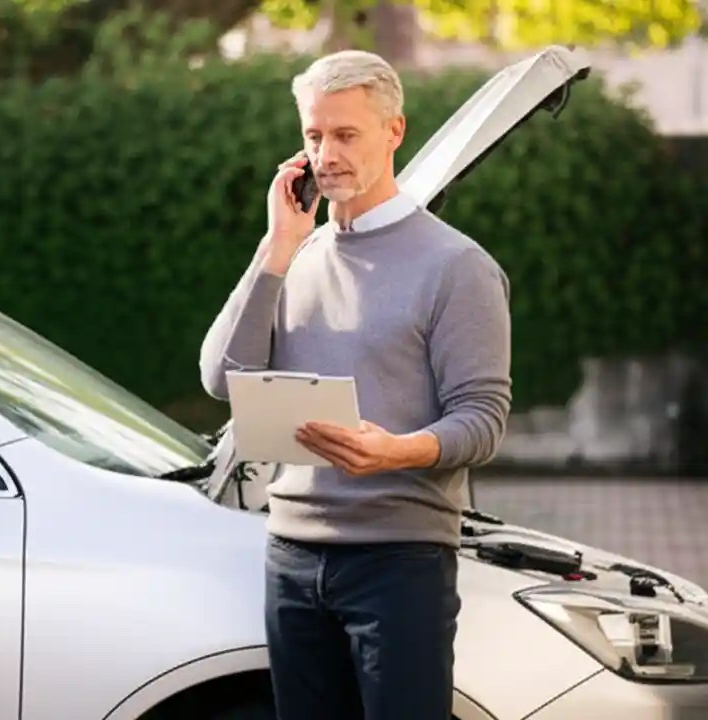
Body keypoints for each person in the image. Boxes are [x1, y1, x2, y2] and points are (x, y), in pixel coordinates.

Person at [198, 50, 512, 720]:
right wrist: (277, 246)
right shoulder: (295, 256)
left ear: (394, 131)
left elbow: (483, 418)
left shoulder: (457, 267)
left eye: (345, 134)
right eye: (314, 135)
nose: (326, 155)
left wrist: (396, 451)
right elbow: (222, 377)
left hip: (400, 563)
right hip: (290, 558)